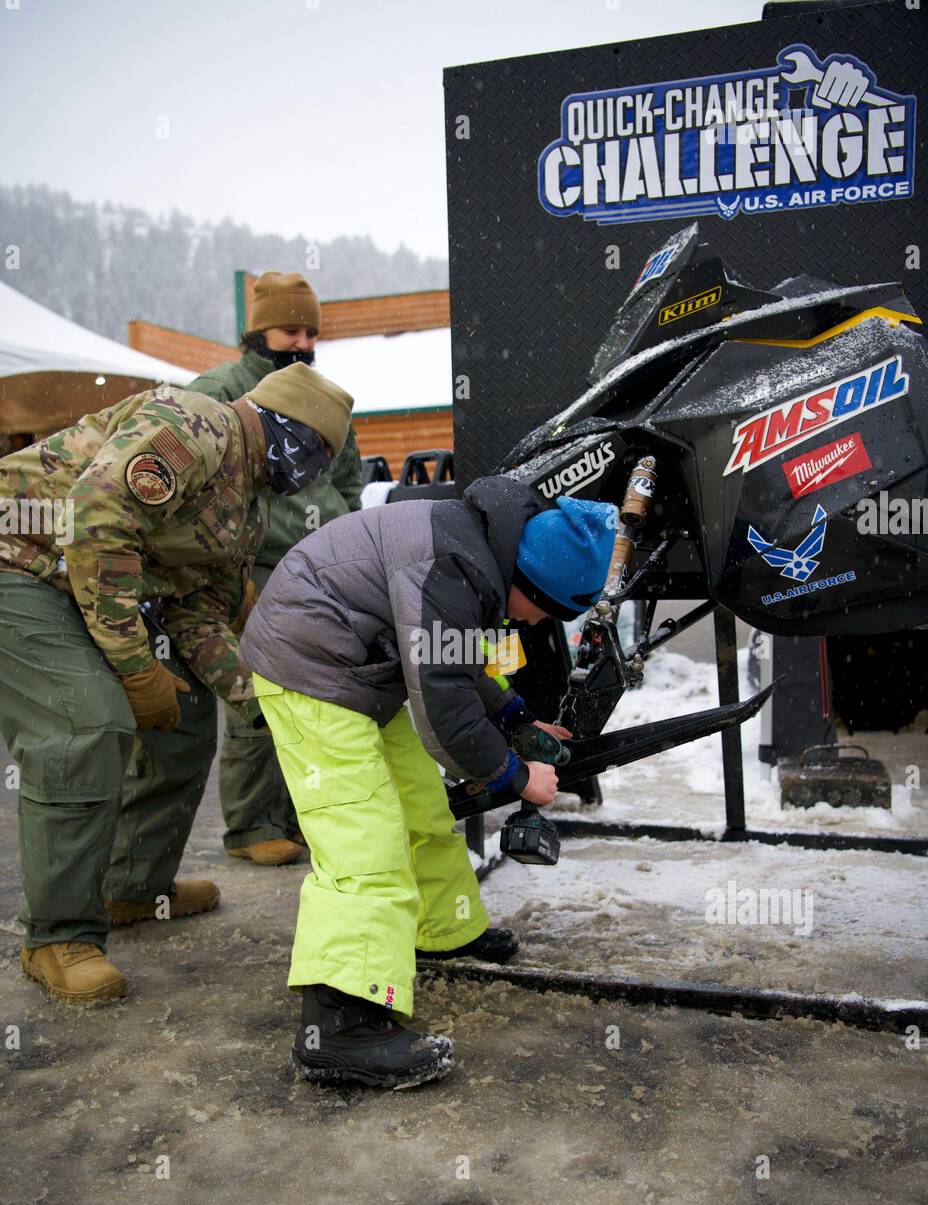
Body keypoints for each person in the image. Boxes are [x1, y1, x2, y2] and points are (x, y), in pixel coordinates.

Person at [241, 475, 616, 1089]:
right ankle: (339, 1026)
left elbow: (454, 661)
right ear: (531, 582)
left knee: (420, 805)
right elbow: (444, 710)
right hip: (310, 666)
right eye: (545, 609)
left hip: (365, 666)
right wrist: (519, 776)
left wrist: (516, 719)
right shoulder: (457, 567)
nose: (535, 621)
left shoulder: (483, 552)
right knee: (363, 837)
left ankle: (441, 929)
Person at [0, 363, 352, 1005]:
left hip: (74, 582)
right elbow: (96, 517)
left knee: (182, 730)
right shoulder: (196, 426)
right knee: (87, 723)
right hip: (17, 562)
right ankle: (56, 936)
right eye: (316, 453)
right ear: (287, 431)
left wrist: (271, 708)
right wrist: (137, 669)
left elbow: (200, 617)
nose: (313, 473)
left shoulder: (245, 503)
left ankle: (132, 887)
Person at [187, 271, 363, 867]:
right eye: (291, 329)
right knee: (257, 688)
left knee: (310, 694)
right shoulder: (218, 389)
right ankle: (250, 826)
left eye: (311, 331)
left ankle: (296, 817)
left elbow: (347, 478)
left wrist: (348, 532)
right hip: (249, 565)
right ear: (258, 329)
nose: (302, 341)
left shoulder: (324, 393)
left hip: (318, 567)